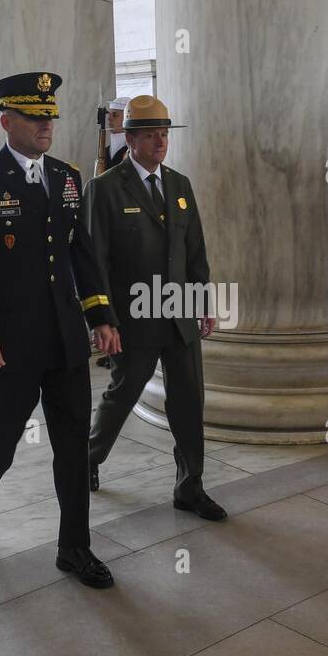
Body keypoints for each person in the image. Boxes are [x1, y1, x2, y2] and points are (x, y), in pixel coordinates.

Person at [0, 71, 120, 589]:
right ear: (8, 121)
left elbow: (79, 253)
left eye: (50, 118)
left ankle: (75, 547)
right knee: (3, 435)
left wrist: (101, 316)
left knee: (71, 444)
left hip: (64, 338)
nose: (47, 126)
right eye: (36, 118)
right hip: (9, 341)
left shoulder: (66, 177)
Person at [84, 95, 226, 520]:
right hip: (134, 315)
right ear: (130, 139)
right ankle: (88, 458)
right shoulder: (105, 188)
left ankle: (190, 486)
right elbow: (95, 261)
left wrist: (203, 300)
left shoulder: (179, 185)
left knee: (188, 400)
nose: (161, 142)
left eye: (164, 134)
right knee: (123, 393)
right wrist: (103, 320)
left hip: (179, 311)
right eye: (151, 135)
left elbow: (194, 249)